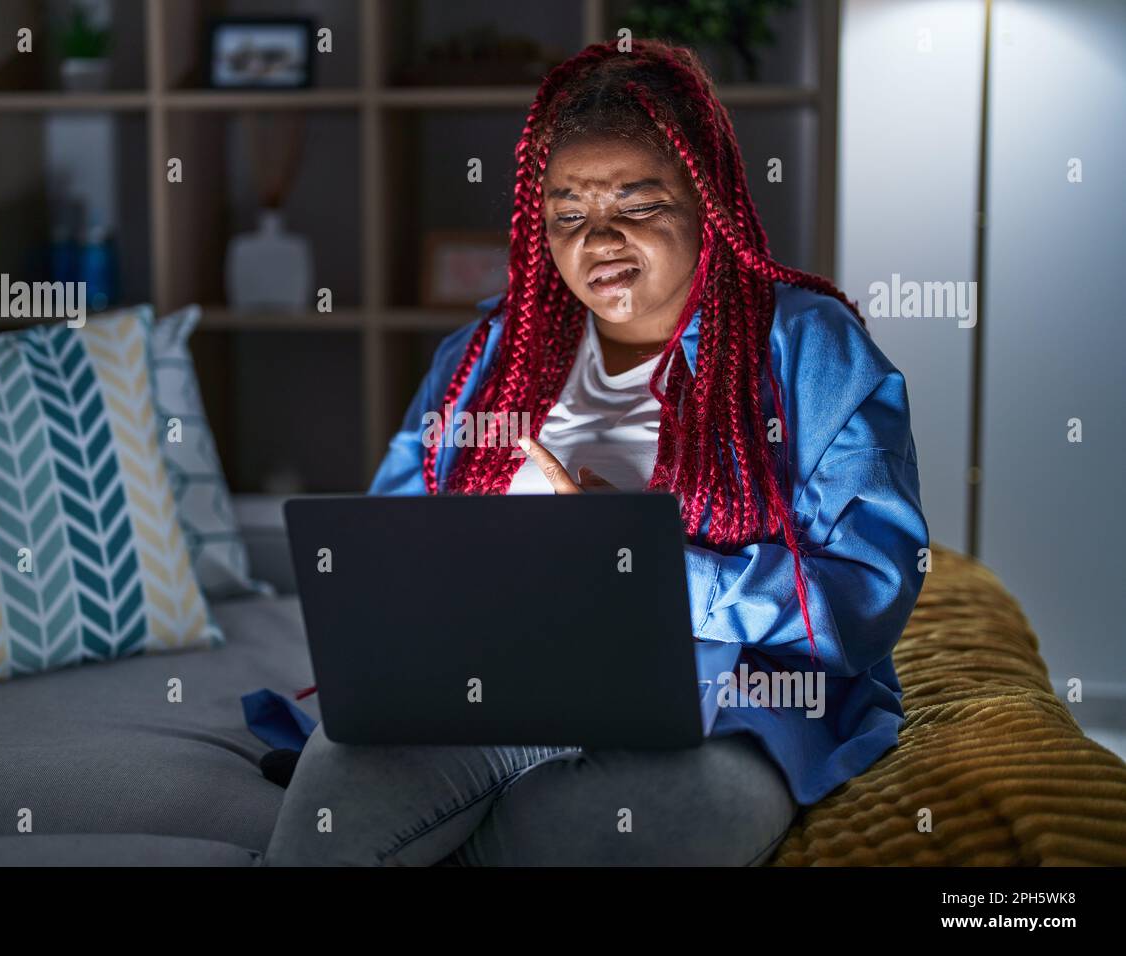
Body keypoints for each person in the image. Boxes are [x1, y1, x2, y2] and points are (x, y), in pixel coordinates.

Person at [260, 37, 929, 866]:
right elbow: (390, 540)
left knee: (672, 815)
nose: (599, 238)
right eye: (568, 214)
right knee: (341, 774)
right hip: (484, 678)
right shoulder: (487, 354)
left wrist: (636, 567)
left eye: (637, 204)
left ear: (705, 198)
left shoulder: (806, 346)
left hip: (714, 697)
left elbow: (867, 592)